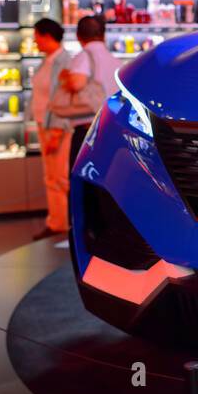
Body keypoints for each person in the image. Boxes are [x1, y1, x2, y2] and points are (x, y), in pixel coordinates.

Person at [62, 15, 120, 172]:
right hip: (111, 129)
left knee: (84, 184)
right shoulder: (116, 61)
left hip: (88, 131)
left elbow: (77, 83)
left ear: (78, 36)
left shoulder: (84, 57)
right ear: (103, 35)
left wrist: (65, 80)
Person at [31, 18, 72, 239]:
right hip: (44, 125)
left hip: (56, 128)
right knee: (52, 176)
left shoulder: (63, 61)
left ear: (47, 36)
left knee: (59, 177)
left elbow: (64, 98)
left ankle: (64, 224)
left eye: (36, 36)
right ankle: (58, 221)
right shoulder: (48, 61)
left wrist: (56, 131)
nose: (34, 41)